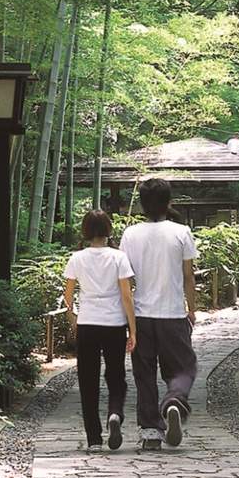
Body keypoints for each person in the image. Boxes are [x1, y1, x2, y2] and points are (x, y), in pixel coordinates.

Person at [119, 177, 199, 450]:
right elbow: (188, 276)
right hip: (173, 314)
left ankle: (151, 432)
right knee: (184, 367)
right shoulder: (181, 232)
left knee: (144, 374)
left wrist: (127, 318)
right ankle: (175, 400)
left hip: (141, 315)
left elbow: (124, 280)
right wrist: (192, 309)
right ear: (169, 202)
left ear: (142, 204)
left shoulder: (130, 234)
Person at [63, 210, 137, 452]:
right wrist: (133, 329)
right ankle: (114, 414)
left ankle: (94, 439)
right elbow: (127, 295)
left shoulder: (77, 258)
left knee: (88, 381)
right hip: (114, 324)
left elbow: (68, 293)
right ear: (108, 229)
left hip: (88, 323)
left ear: (85, 230)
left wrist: (72, 315)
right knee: (116, 378)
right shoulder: (118, 257)